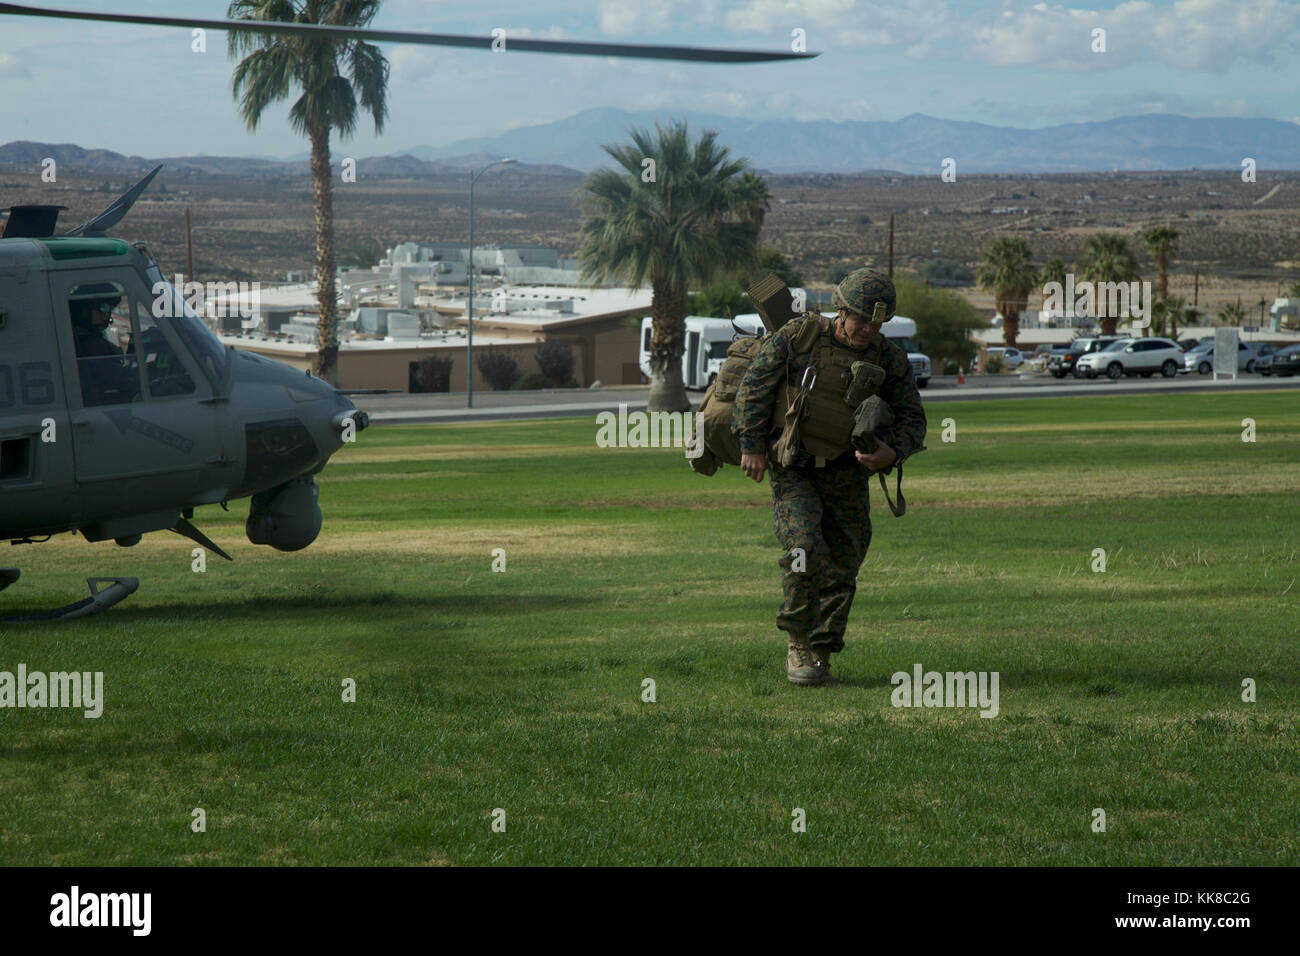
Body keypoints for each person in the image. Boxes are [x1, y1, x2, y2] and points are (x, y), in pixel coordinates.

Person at [733, 268, 927, 686]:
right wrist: (750, 445)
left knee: (844, 561)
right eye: (861, 319)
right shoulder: (798, 336)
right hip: (794, 466)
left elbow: (914, 419)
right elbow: (755, 386)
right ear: (841, 310)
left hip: (846, 471)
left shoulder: (887, 358)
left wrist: (892, 452)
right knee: (804, 549)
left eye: (877, 323)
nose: (868, 329)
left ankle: (822, 652)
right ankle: (798, 642)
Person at [71, 295, 136, 406]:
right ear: (84, 311)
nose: (106, 314)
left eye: (109, 309)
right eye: (103, 308)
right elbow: (115, 379)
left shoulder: (85, 339)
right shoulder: (92, 345)